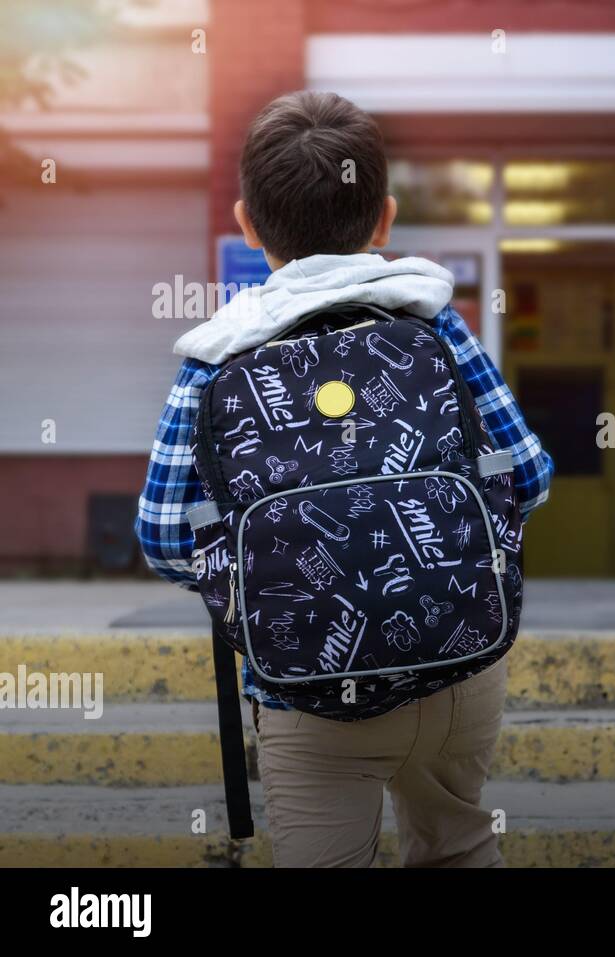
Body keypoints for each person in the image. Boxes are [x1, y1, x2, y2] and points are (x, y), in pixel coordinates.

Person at [135, 90, 552, 867]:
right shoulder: (433, 321)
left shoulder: (215, 358)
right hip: (456, 665)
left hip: (304, 688)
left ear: (247, 224)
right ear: (385, 217)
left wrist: (266, 575)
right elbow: (526, 475)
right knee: (459, 846)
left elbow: (162, 536)